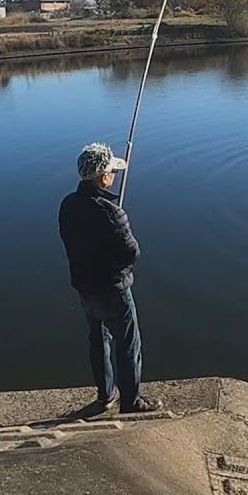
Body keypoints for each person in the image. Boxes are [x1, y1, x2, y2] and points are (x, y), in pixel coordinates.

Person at [58, 142, 162, 414]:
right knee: (128, 344)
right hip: (113, 290)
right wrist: (116, 219)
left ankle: (106, 394)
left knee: (98, 338)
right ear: (103, 178)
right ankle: (132, 401)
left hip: (85, 289)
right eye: (112, 172)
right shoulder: (112, 213)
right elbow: (132, 254)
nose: (114, 176)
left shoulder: (67, 205)